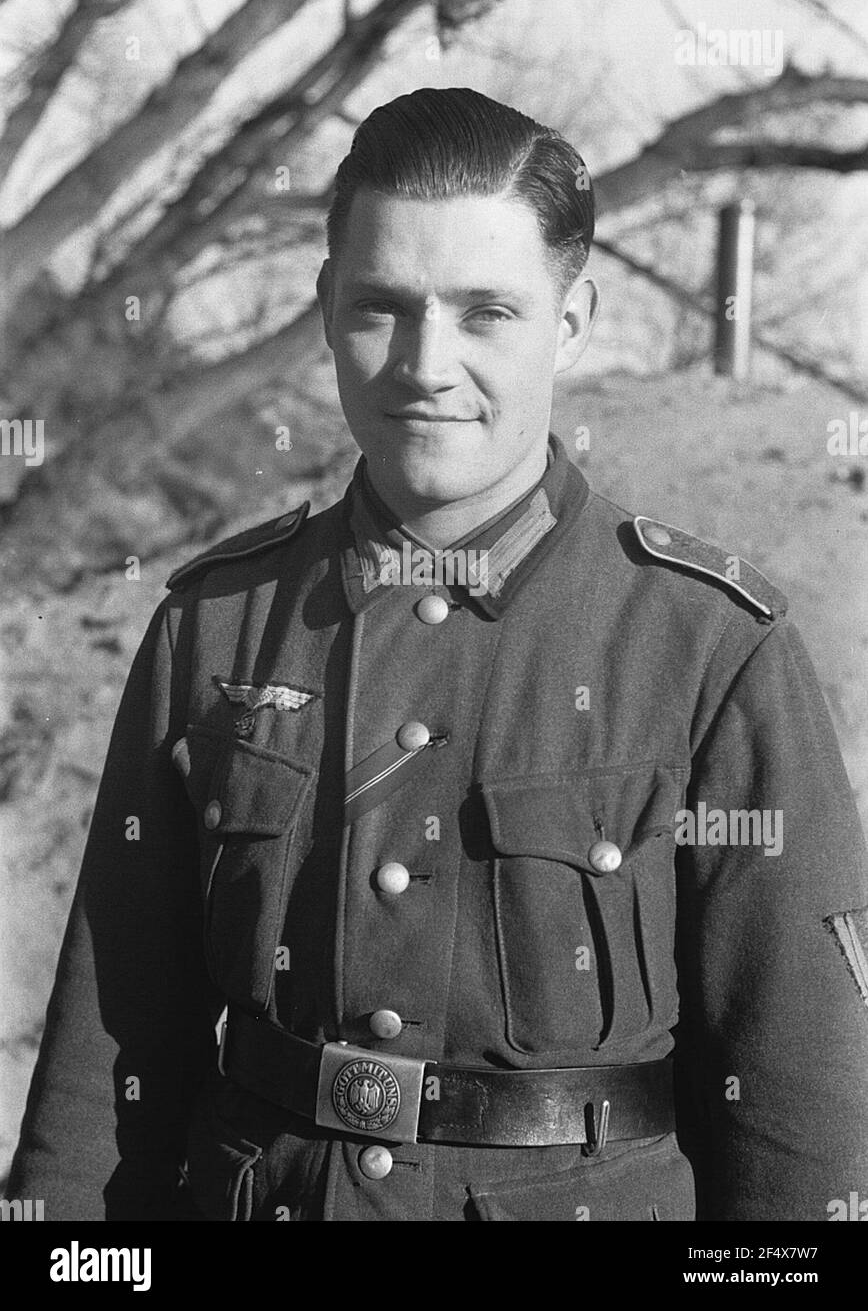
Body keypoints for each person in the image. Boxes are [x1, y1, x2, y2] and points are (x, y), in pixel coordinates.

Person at [8, 87, 868, 1222]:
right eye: (382, 307)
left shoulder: (708, 648)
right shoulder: (214, 625)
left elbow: (800, 1116)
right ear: (325, 309)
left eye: (485, 313)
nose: (425, 363)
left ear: (571, 322)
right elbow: (107, 1058)